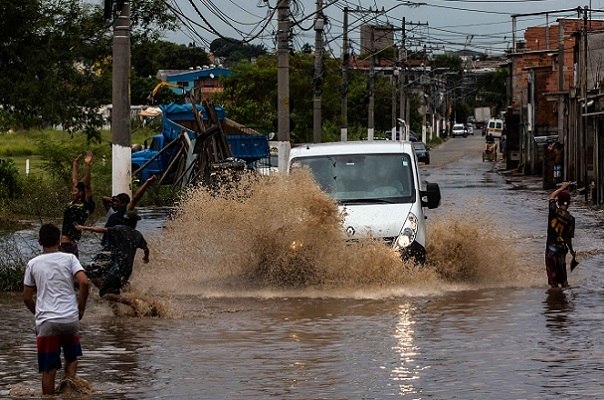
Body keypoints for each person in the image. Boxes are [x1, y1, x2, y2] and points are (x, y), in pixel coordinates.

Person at [23, 223, 90, 395]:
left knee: (48, 369)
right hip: (70, 319)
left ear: (39, 241)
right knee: (72, 358)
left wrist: (38, 313)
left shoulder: (32, 263)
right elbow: (84, 282)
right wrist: (80, 309)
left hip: (46, 322)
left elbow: (27, 298)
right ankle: (68, 390)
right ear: (59, 240)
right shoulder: (70, 259)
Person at [75, 211, 150, 298]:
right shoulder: (138, 235)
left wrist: (82, 227)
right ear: (135, 223)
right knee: (116, 290)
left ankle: (134, 302)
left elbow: (101, 230)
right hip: (128, 269)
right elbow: (146, 249)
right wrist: (146, 258)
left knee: (104, 293)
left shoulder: (119, 229)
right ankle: (126, 304)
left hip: (117, 268)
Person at [100, 175, 157, 250]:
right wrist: (113, 199)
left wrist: (147, 182)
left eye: (117, 201)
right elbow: (104, 198)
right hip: (106, 245)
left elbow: (135, 198)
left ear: (123, 203)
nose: (114, 203)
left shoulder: (126, 213)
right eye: (114, 201)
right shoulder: (111, 212)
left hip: (119, 247)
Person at [60, 152, 95, 258]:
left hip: (68, 245)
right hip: (66, 244)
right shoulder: (72, 203)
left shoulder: (85, 205)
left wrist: (87, 165)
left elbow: (87, 185)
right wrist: (74, 164)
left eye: (75, 191)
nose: (72, 193)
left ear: (81, 193)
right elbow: (74, 181)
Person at [545, 181, 576, 288]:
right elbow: (568, 238)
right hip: (562, 248)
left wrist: (562, 188)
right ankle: (564, 297)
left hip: (551, 248)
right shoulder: (571, 219)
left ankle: (555, 297)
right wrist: (571, 250)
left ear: (558, 202)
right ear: (569, 203)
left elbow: (551, 196)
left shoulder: (553, 210)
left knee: (553, 276)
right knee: (562, 273)